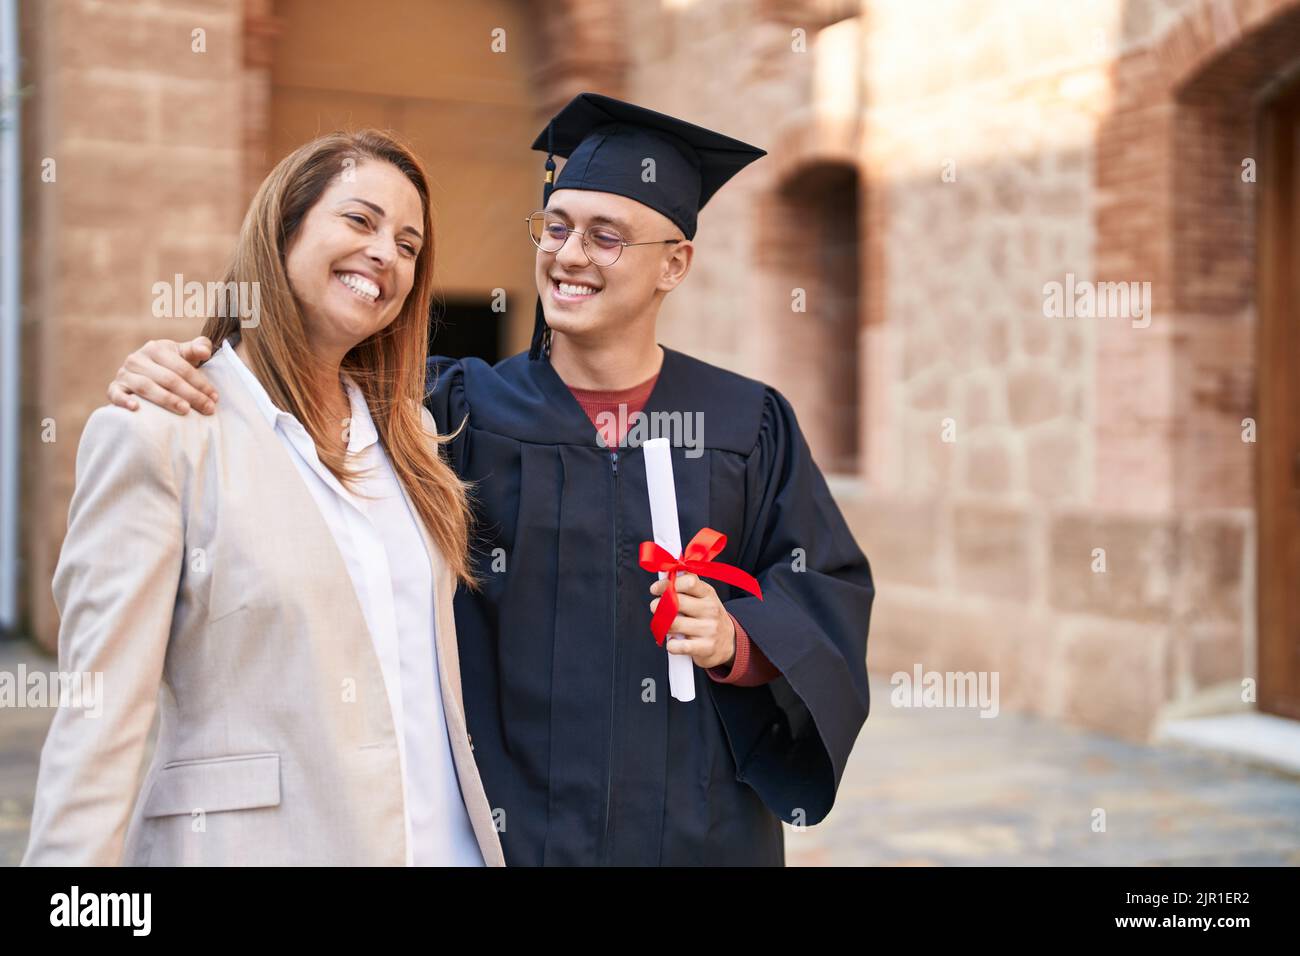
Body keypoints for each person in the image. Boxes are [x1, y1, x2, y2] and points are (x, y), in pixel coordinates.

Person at [106, 94, 875, 866]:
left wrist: (739, 640)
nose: (569, 255)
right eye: (558, 226)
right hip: (510, 836)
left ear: (674, 263)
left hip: (699, 833)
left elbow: (825, 583)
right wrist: (185, 360)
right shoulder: (451, 412)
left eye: (606, 237)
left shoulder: (747, 422)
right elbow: (299, 387)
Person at [25, 129, 504, 866]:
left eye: (409, 246)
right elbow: (99, 719)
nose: (386, 254)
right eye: (359, 220)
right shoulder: (166, 433)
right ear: (282, 229)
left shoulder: (412, 435)